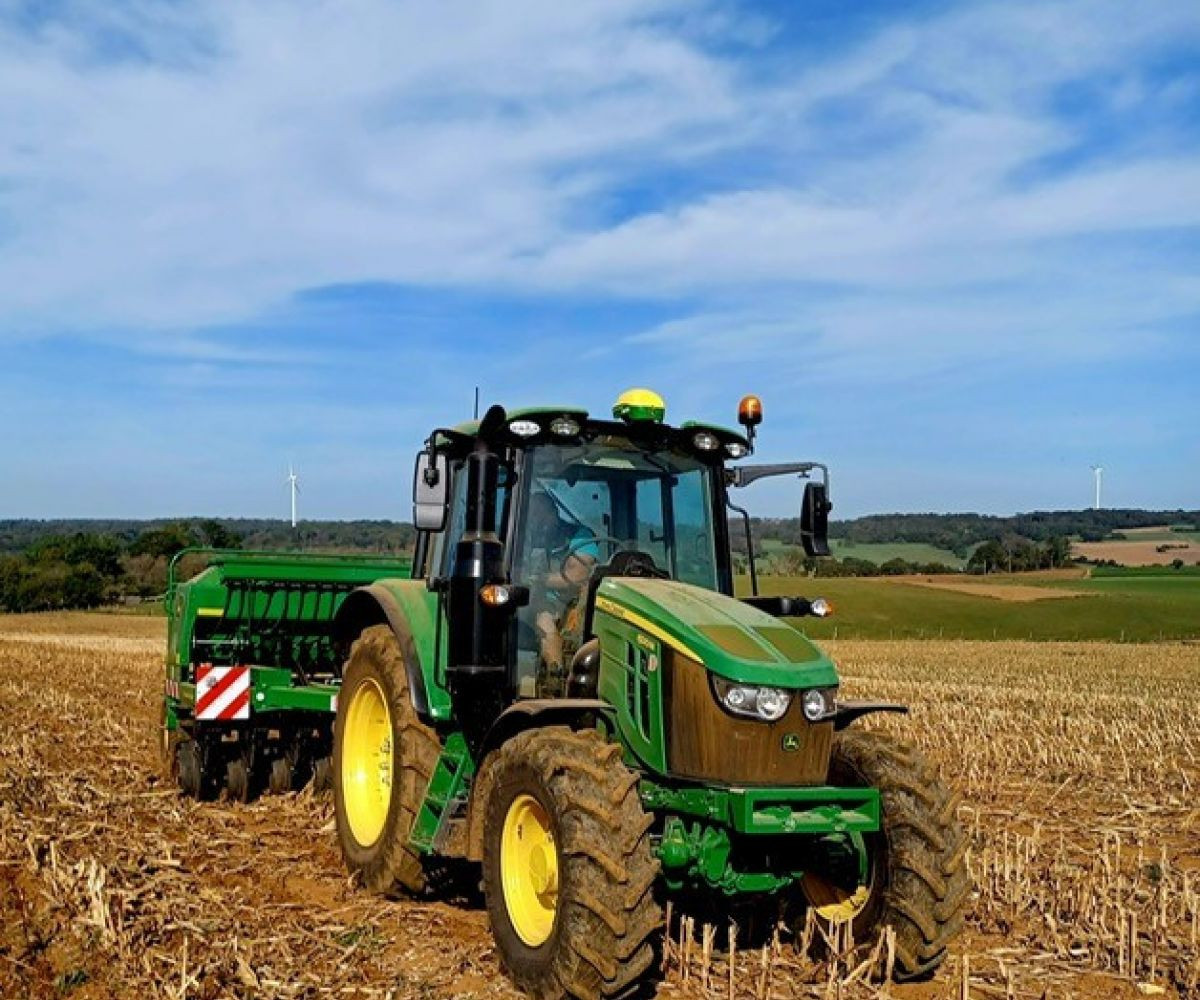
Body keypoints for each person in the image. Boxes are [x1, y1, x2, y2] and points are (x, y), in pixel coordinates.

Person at [526, 490, 600, 690]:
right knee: (543, 618)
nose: (539, 521)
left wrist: (540, 580)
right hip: (535, 600)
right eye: (533, 515)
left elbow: (576, 577)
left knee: (546, 623)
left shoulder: (579, 536)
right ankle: (553, 677)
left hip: (575, 601)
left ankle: (555, 681)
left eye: (543, 514)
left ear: (554, 512)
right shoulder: (524, 538)